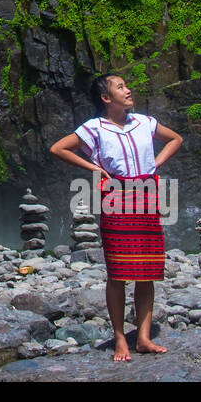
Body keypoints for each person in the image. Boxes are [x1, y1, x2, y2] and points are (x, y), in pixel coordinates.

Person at [48, 73, 183, 361]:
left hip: (147, 193)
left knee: (147, 270)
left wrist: (156, 163)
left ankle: (144, 338)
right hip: (115, 196)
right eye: (120, 87)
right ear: (106, 98)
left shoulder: (145, 122)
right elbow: (58, 148)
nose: (128, 90)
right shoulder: (94, 128)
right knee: (119, 271)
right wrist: (93, 169)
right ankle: (121, 338)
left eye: (126, 85)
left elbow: (175, 139)